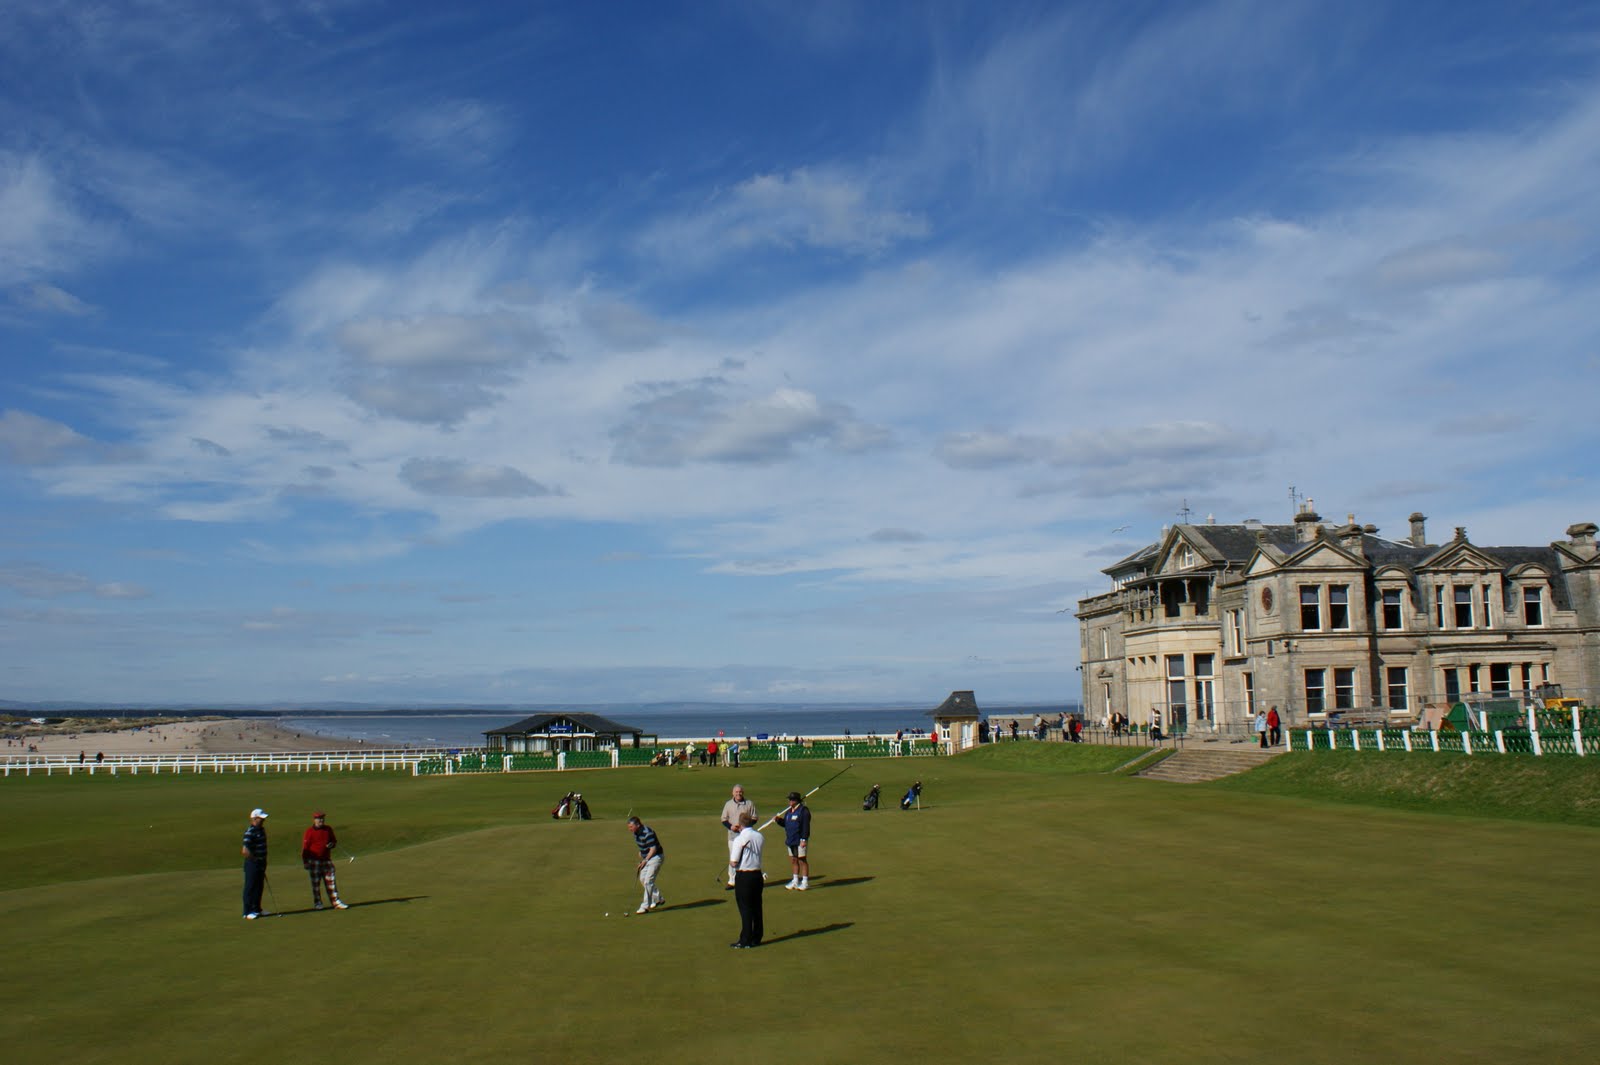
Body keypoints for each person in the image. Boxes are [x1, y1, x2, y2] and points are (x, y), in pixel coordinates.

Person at [727, 810, 764, 948]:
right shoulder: (759, 836)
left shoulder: (739, 839)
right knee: (756, 907)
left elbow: (734, 861)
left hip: (745, 876)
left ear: (740, 824)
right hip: (757, 875)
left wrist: (731, 863)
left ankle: (745, 939)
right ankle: (756, 937)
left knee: (745, 908)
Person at [301, 810, 349, 910]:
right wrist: (305, 862)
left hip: (326, 860)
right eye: (318, 819)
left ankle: (335, 902)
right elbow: (305, 848)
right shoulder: (309, 832)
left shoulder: (328, 829)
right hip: (314, 861)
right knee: (316, 884)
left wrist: (331, 845)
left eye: (322, 818)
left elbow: (334, 841)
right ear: (314, 820)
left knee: (331, 881)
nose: (321, 820)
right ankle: (318, 903)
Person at [720, 784, 757, 888]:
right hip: (733, 836)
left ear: (743, 792)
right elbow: (723, 819)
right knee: (733, 857)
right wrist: (731, 827)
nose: (738, 793)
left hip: (746, 836)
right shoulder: (728, 804)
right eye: (736, 792)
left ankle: (743, 879)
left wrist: (745, 827)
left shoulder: (749, 804)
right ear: (733, 793)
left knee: (745, 857)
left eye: (740, 791)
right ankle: (732, 880)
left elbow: (755, 818)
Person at [774, 790, 812, 891]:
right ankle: (795, 880)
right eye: (789, 799)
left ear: (797, 800)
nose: (790, 801)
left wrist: (804, 839)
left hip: (800, 840)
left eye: (792, 799)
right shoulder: (788, 812)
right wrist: (778, 820)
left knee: (802, 860)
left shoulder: (803, 811)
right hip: (790, 840)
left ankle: (805, 882)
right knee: (794, 860)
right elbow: (786, 824)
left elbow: (805, 826)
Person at [627, 816, 664, 914]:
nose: (629, 829)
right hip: (647, 858)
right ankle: (658, 898)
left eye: (631, 827)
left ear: (638, 825)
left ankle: (645, 906)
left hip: (656, 857)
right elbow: (643, 847)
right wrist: (642, 857)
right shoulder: (636, 833)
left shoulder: (648, 833)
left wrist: (645, 860)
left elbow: (653, 849)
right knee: (643, 879)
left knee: (648, 881)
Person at [241, 808, 269, 919]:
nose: (263, 820)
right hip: (252, 864)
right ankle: (247, 912)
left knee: (259, 886)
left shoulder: (261, 830)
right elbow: (245, 851)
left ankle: (257, 909)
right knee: (250, 887)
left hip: (261, 863)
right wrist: (255, 859)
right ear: (254, 818)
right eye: (260, 819)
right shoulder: (250, 832)